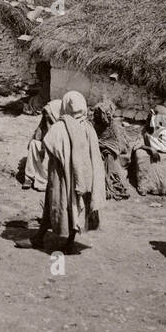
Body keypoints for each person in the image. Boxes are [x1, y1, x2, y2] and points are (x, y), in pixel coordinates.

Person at [38, 92, 106, 253]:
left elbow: (48, 144)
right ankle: (69, 240)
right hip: (83, 178)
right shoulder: (88, 127)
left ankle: (40, 237)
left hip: (62, 176)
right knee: (76, 205)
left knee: (57, 202)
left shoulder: (61, 126)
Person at [131, 103, 166, 198]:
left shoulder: (165, 131)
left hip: (164, 154)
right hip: (148, 152)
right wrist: (150, 149)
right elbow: (137, 144)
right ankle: (144, 186)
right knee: (140, 155)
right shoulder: (146, 129)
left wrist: (160, 149)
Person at [21, 97, 64, 192]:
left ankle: (48, 180)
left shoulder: (62, 125)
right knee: (33, 144)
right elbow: (37, 136)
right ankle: (29, 178)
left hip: (56, 152)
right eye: (45, 115)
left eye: (48, 115)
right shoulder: (46, 120)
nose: (46, 117)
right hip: (46, 149)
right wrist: (43, 125)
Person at [91, 101, 131, 200]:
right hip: (96, 149)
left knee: (108, 160)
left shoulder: (113, 127)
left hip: (109, 151)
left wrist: (106, 148)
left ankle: (109, 185)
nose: (96, 115)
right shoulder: (93, 125)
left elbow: (116, 144)